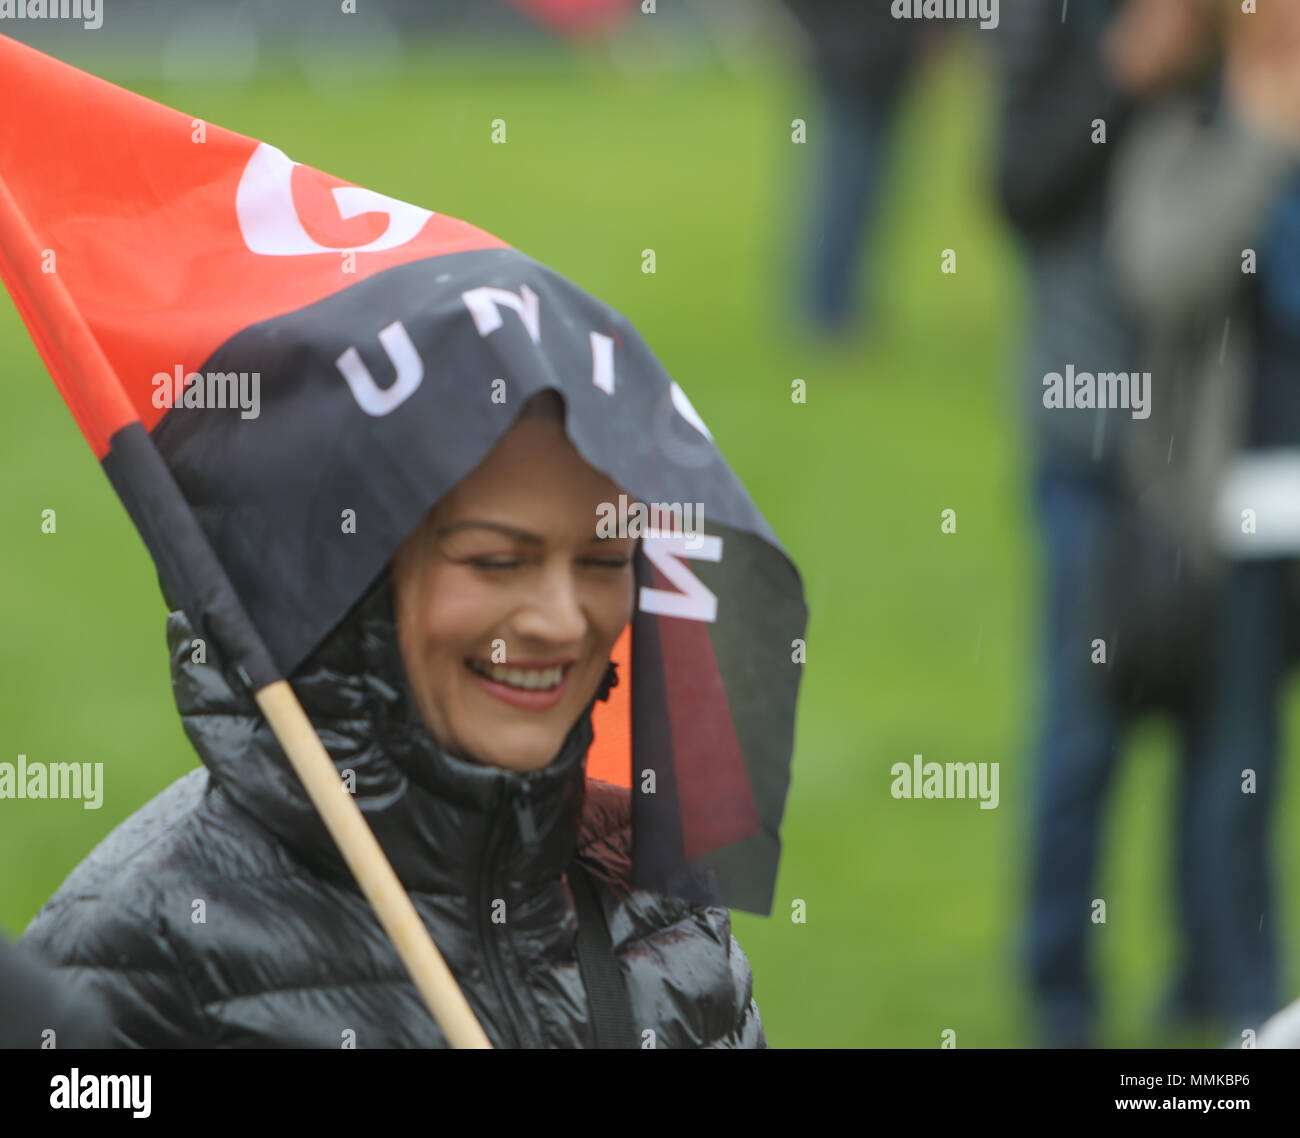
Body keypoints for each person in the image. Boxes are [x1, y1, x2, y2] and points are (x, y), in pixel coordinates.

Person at [19, 390, 765, 1048]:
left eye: (604, 561)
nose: (562, 622)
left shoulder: (660, 898)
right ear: (354, 582)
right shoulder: (141, 952)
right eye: (498, 560)